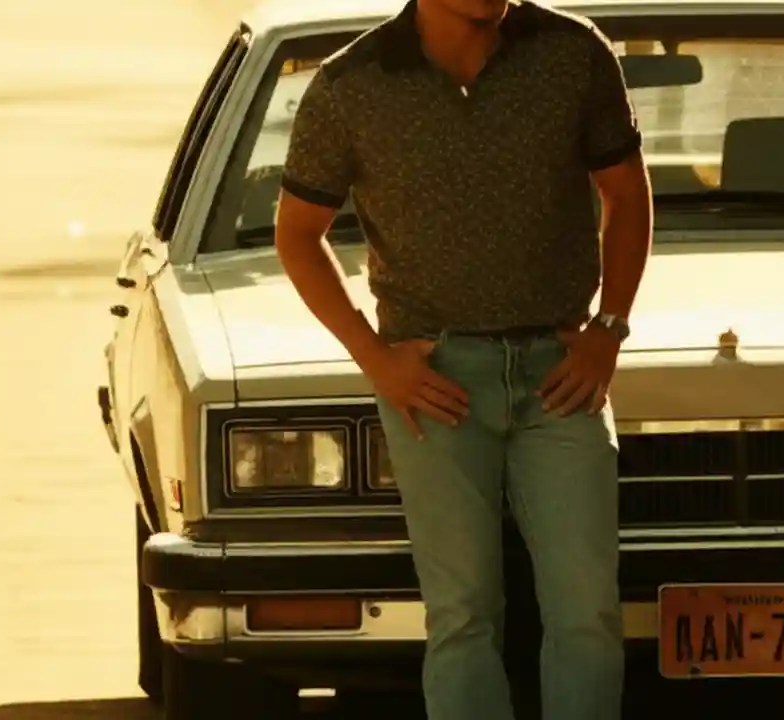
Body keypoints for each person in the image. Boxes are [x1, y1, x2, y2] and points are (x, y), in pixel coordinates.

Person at [272, 0, 654, 718]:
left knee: (587, 610)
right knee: (463, 613)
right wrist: (375, 359)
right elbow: (297, 235)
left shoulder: (573, 53)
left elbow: (627, 197)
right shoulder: (351, 84)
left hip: (560, 375)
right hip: (435, 382)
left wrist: (609, 327)